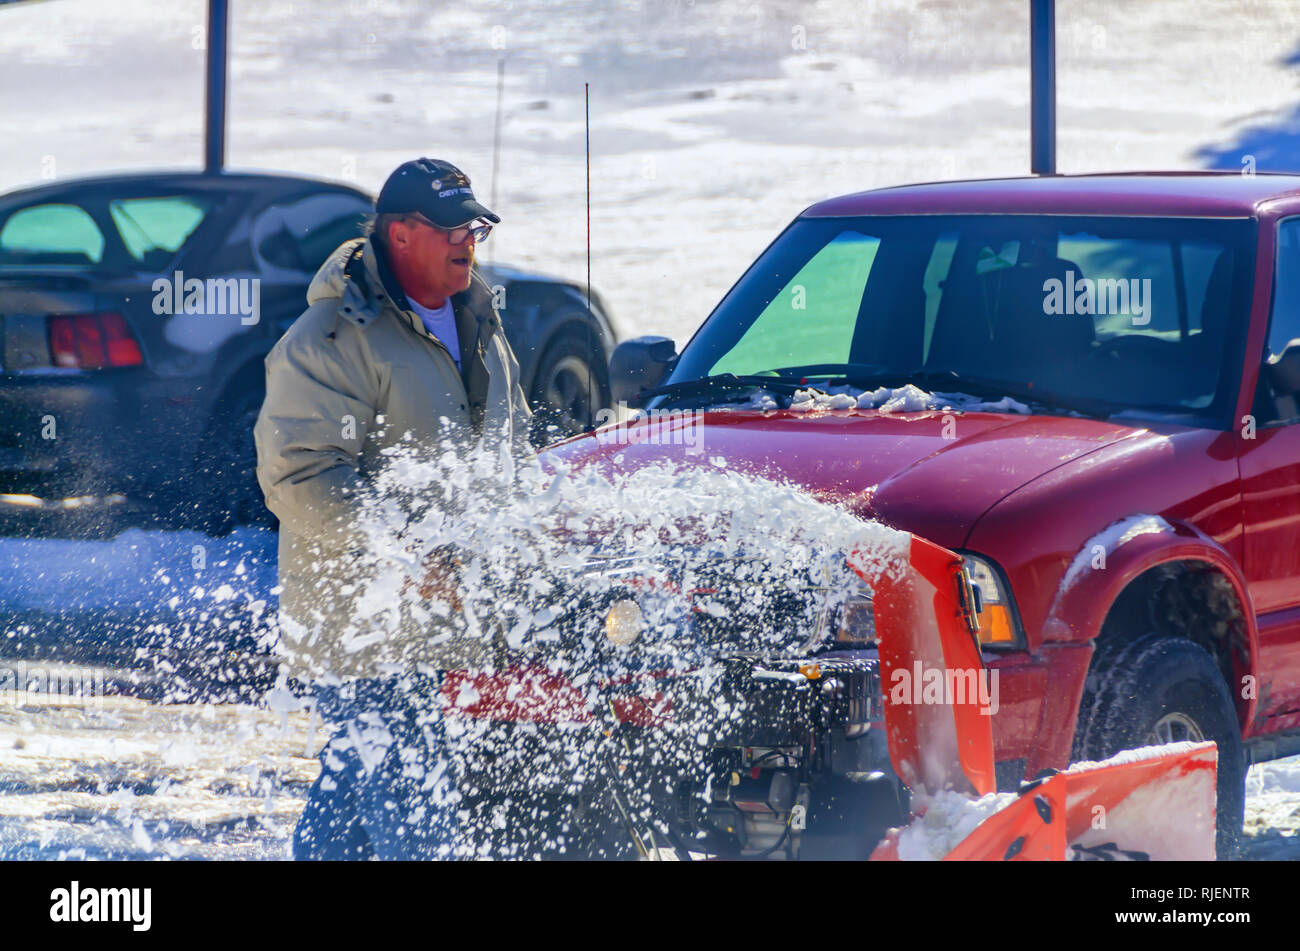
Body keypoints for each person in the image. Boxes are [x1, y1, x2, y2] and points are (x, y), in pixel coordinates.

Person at [254, 157, 532, 859]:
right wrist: (408, 553)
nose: (467, 240)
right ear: (401, 234)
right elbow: (300, 477)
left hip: (442, 618)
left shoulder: (481, 322)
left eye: (473, 227)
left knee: (347, 809)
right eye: (449, 229)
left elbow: (514, 448)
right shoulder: (333, 337)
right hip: (364, 627)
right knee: (420, 820)